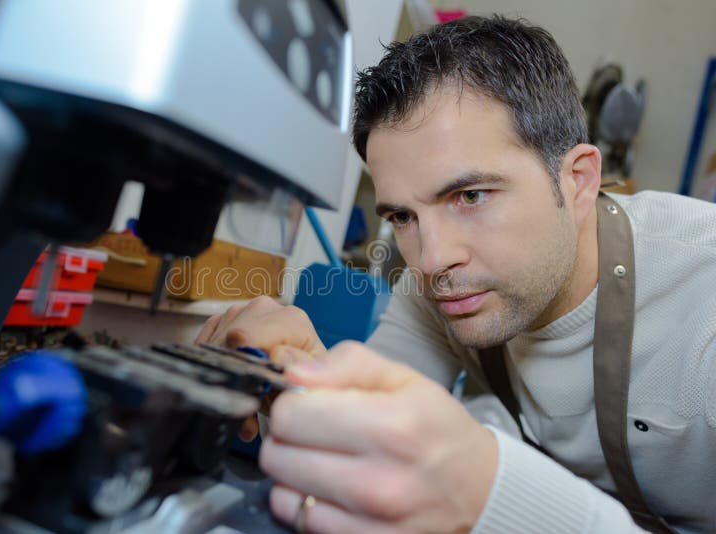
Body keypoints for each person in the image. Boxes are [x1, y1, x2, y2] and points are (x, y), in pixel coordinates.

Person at [196, 15, 716, 534]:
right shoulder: (439, 290)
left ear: (578, 181)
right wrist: (297, 381)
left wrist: (493, 495)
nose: (430, 260)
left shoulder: (703, 297)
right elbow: (368, 441)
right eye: (403, 216)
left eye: (470, 196)